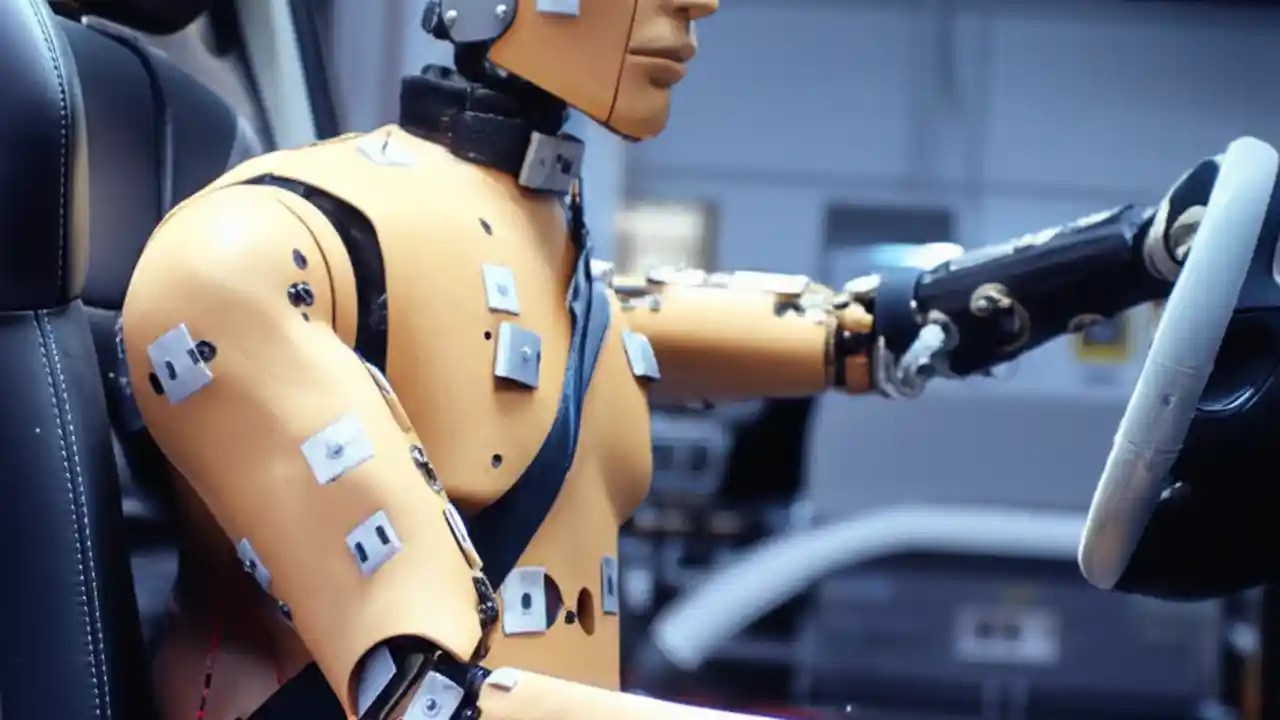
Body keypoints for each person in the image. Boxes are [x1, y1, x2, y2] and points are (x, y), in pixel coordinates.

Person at [119, 1, 1218, 717]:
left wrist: (1135, 251)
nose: (695, 5)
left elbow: (871, 327)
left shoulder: (567, 282)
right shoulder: (266, 252)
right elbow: (421, 694)